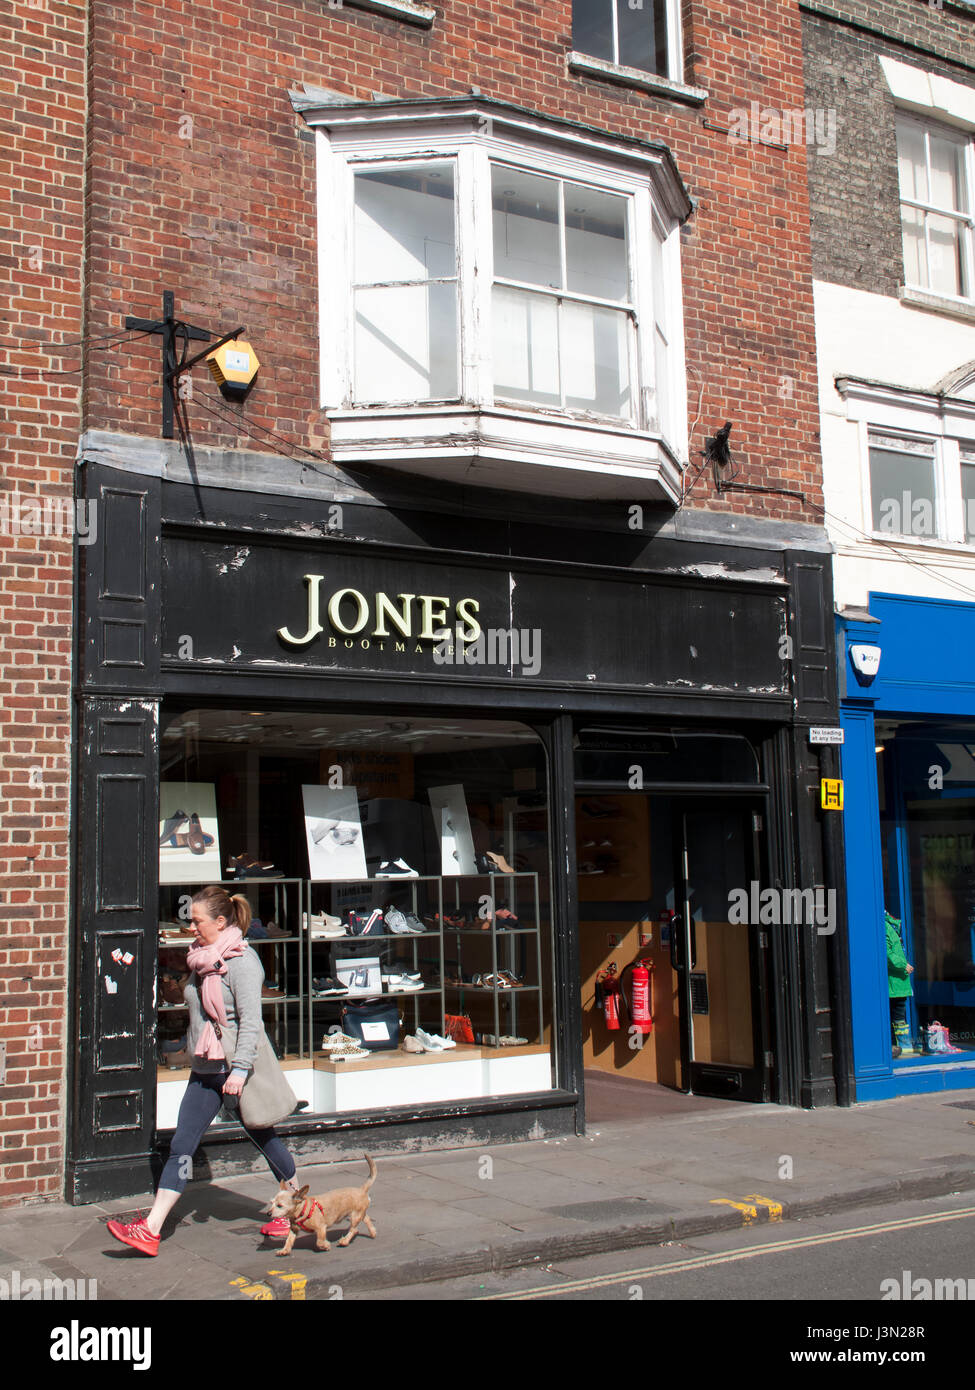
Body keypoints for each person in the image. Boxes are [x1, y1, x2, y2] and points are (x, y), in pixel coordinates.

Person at [106, 886, 298, 1255]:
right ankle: (150, 1229)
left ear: (221, 921)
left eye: (197, 921)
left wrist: (240, 1071)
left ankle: (294, 1209)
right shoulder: (198, 958)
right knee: (181, 1145)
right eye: (190, 920)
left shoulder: (242, 962)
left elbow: (251, 1023)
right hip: (205, 1068)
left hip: (235, 1069)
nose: (191, 927)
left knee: (264, 1137)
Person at [886, 909, 914, 1058]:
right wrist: (903, 964)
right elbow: (886, 953)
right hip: (895, 981)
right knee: (897, 1015)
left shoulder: (891, 926)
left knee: (898, 1014)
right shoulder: (885, 926)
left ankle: (903, 1046)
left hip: (899, 981)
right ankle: (902, 1045)